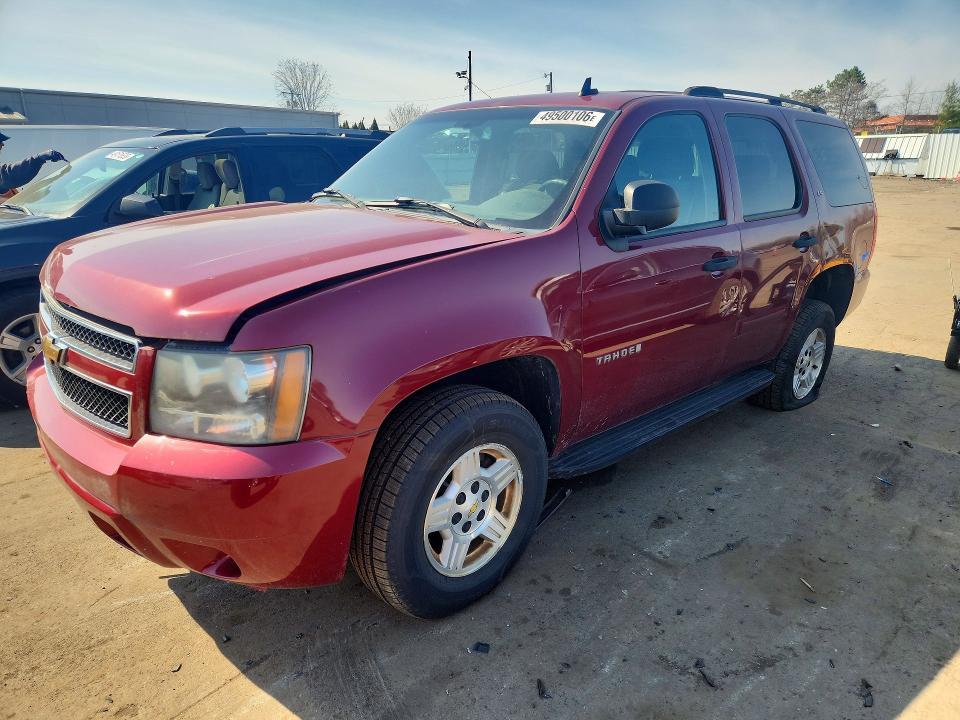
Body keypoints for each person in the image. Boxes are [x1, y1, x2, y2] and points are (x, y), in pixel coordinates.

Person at [0, 131, 67, 197]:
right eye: (0, 141)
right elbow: (9, 175)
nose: (3, 144)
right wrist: (38, 158)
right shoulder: (4, 176)